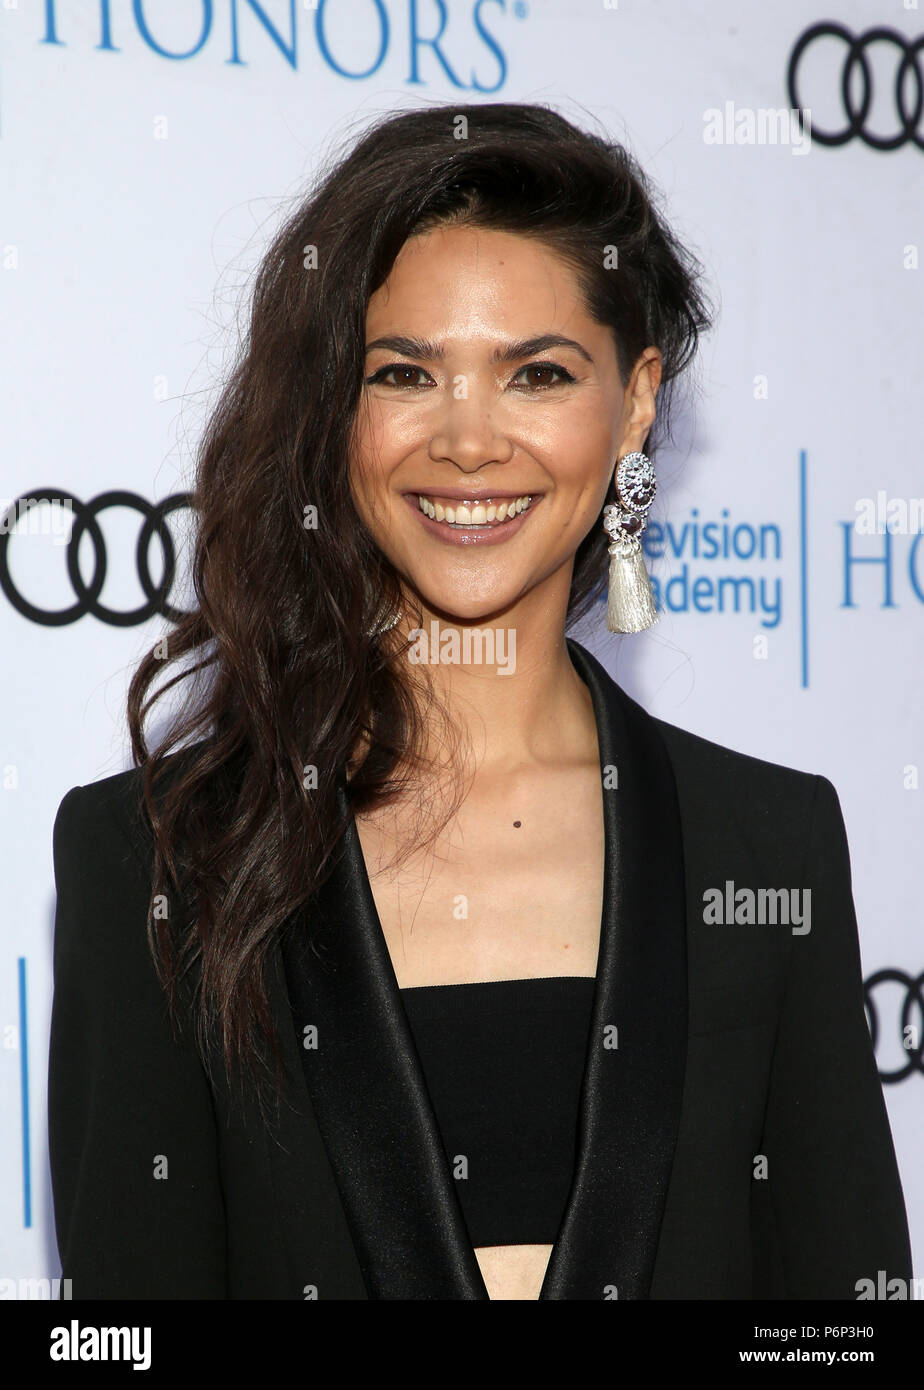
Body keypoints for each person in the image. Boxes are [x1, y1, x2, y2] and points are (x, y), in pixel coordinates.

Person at [48, 101, 911, 1301]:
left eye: (538, 374)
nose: (468, 441)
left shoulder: (768, 844)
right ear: (334, 411)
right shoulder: (161, 853)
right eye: (405, 373)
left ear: (638, 401)